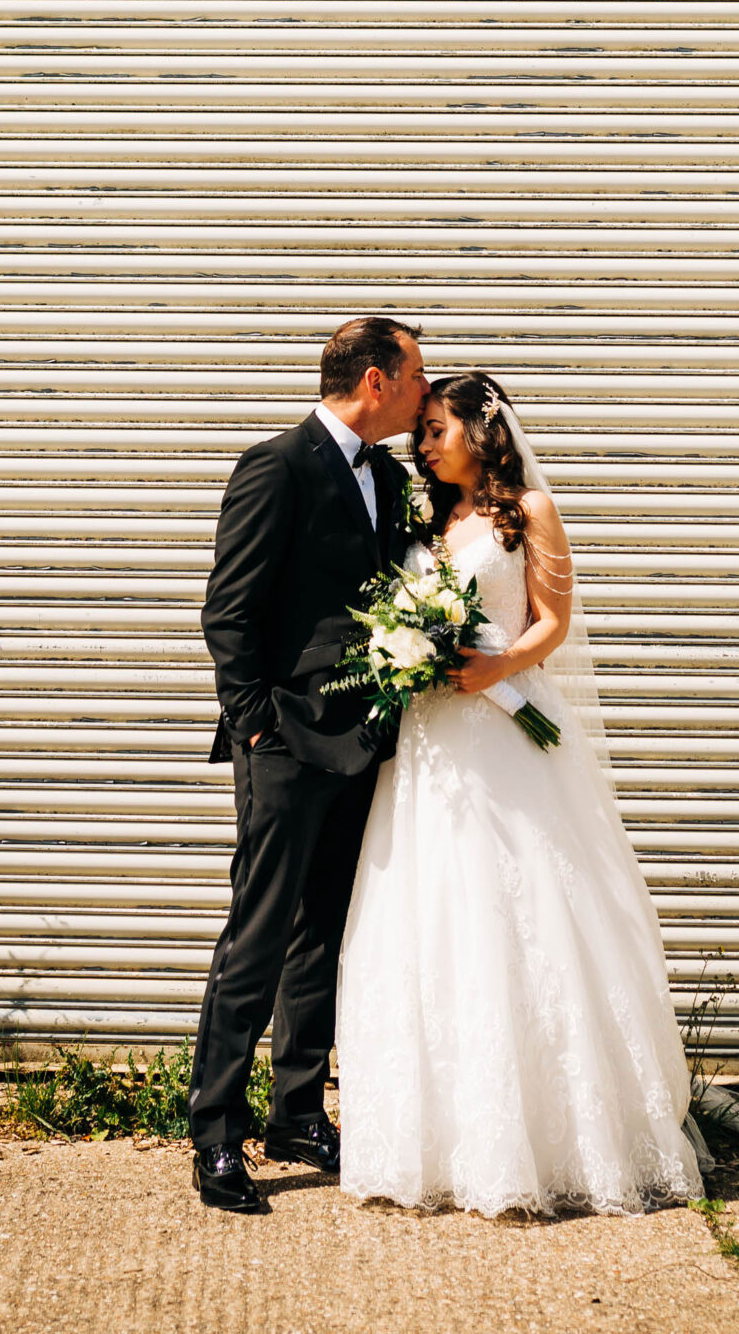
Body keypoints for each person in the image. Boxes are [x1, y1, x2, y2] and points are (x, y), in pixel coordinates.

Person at [334, 370, 710, 1218]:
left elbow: (553, 621)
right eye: (419, 430)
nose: (422, 443)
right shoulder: (423, 516)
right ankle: (434, 1141)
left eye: (435, 428)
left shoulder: (528, 512)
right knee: (432, 911)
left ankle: (557, 1137)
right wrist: (409, 650)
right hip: (430, 743)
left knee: (527, 906)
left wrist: (499, 665)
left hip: (506, 728)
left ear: (482, 428)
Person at [188, 314, 431, 1213]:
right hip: (287, 742)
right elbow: (228, 611)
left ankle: (295, 1111)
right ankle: (215, 1135)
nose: (421, 393)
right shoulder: (276, 466)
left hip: (360, 743)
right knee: (255, 938)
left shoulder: (390, 475)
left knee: (322, 935)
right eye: (413, 376)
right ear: (374, 380)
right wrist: (256, 726)